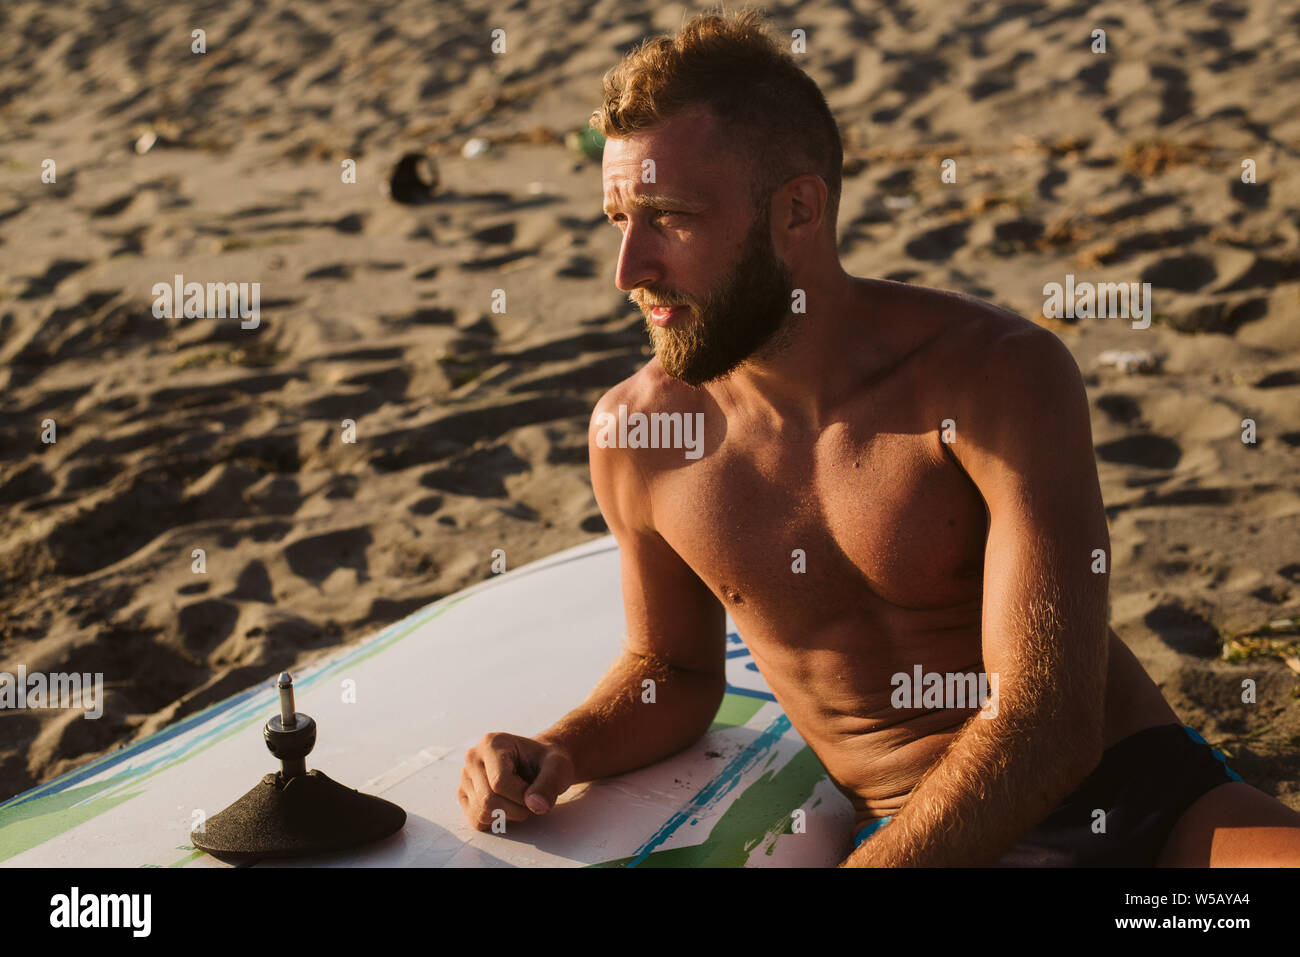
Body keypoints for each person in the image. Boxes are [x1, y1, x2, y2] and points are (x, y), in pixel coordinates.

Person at [457, 9, 1300, 866]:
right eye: (618, 219)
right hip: (918, 838)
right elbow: (671, 668)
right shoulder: (640, 435)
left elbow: (1048, 722)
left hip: (1142, 809)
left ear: (798, 210)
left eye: (669, 218)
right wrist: (563, 747)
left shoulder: (997, 375)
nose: (628, 270)